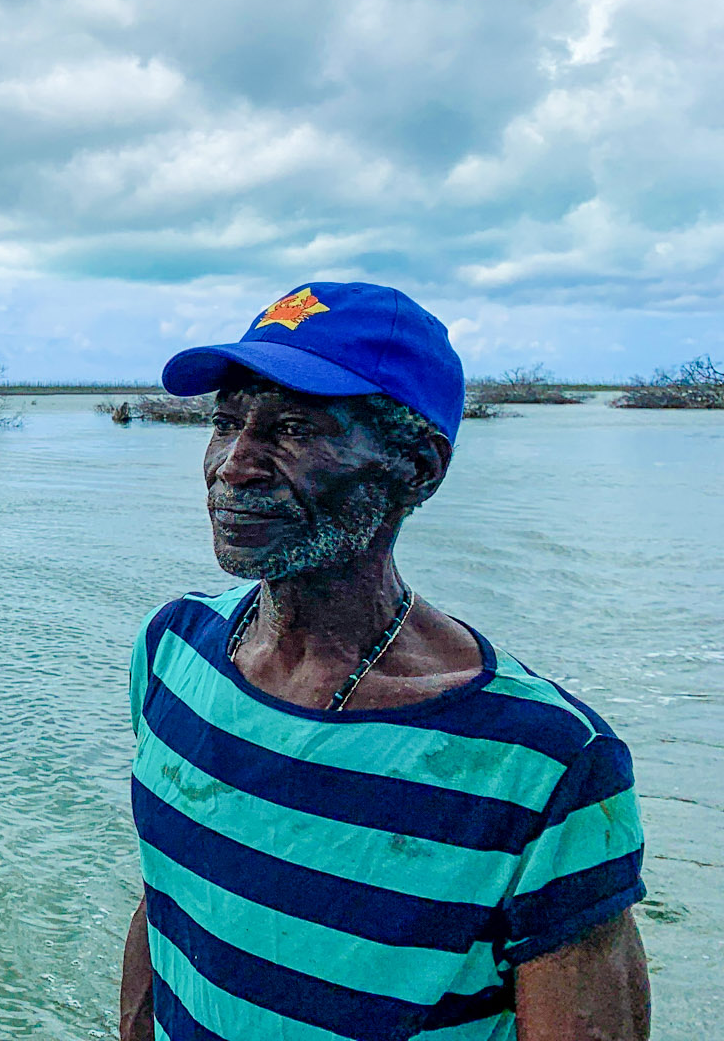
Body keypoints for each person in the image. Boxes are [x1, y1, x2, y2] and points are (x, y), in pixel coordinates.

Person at [119, 282, 650, 1041]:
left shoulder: (544, 760)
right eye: (228, 422)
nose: (235, 466)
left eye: (294, 429)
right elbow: (169, 898)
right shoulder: (173, 649)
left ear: (420, 468)